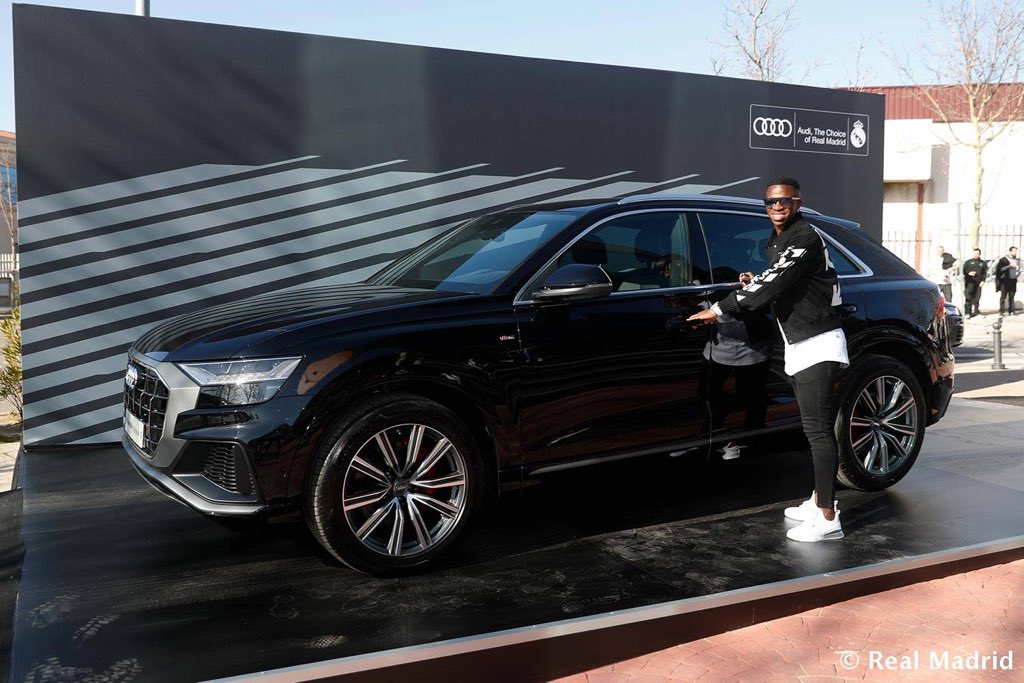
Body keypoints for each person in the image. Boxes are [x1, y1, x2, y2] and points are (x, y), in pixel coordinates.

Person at [688, 176, 849, 543]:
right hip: (800, 343)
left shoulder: (804, 235)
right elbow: (782, 280)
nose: (776, 208)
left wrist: (719, 309)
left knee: (818, 431)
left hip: (818, 343)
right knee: (814, 429)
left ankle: (828, 517)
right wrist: (756, 280)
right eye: (770, 203)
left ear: (798, 202)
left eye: (784, 201)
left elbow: (776, 282)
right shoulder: (781, 240)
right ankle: (817, 499)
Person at [962, 248, 988, 318]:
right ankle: (968, 313)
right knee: (968, 297)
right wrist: (969, 273)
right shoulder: (968, 262)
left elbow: (985, 273)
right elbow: (963, 271)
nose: (976, 255)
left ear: (980, 254)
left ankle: (976, 312)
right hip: (969, 282)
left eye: (977, 253)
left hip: (978, 283)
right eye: (975, 253)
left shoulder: (983, 263)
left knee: (977, 298)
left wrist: (983, 281)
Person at [995, 246, 1020, 316]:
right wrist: (1008, 266)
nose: (1015, 253)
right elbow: (999, 270)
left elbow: (1019, 269)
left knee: (1012, 296)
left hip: (1013, 280)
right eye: (1014, 251)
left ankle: (1011, 310)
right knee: (1003, 296)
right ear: (1010, 251)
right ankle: (1001, 311)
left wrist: (1017, 274)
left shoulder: (1016, 260)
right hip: (1005, 281)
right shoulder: (1003, 260)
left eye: (1016, 251)